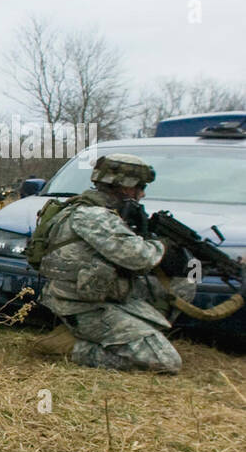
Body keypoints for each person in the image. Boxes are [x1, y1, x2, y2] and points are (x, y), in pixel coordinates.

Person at [31, 154, 191, 373]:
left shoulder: (103, 211)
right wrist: (163, 247)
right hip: (82, 307)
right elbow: (138, 256)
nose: (142, 194)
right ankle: (70, 346)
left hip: (104, 294)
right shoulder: (92, 215)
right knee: (166, 362)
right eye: (140, 187)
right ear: (125, 187)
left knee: (184, 284)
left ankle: (138, 336)